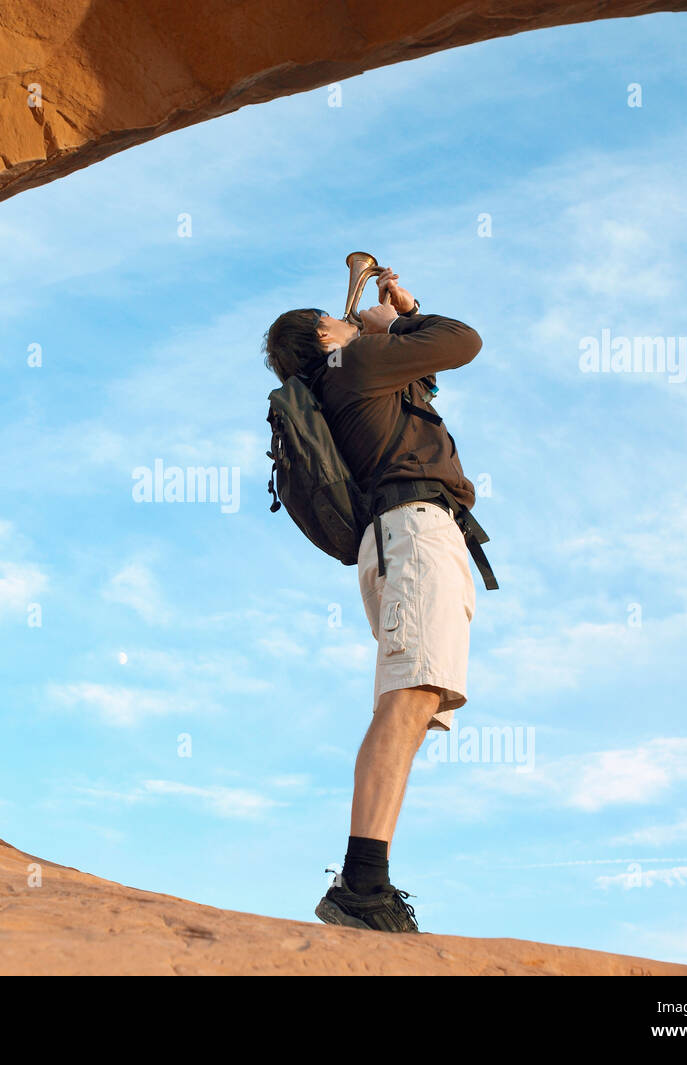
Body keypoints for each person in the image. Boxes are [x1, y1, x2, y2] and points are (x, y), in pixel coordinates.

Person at [261, 270, 485, 933]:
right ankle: (361, 887)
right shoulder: (357, 360)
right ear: (327, 338)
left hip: (403, 537)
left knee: (412, 702)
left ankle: (368, 883)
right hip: (412, 530)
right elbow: (464, 341)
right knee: (407, 698)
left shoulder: (348, 379)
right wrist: (388, 322)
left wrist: (397, 316)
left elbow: (431, 375)